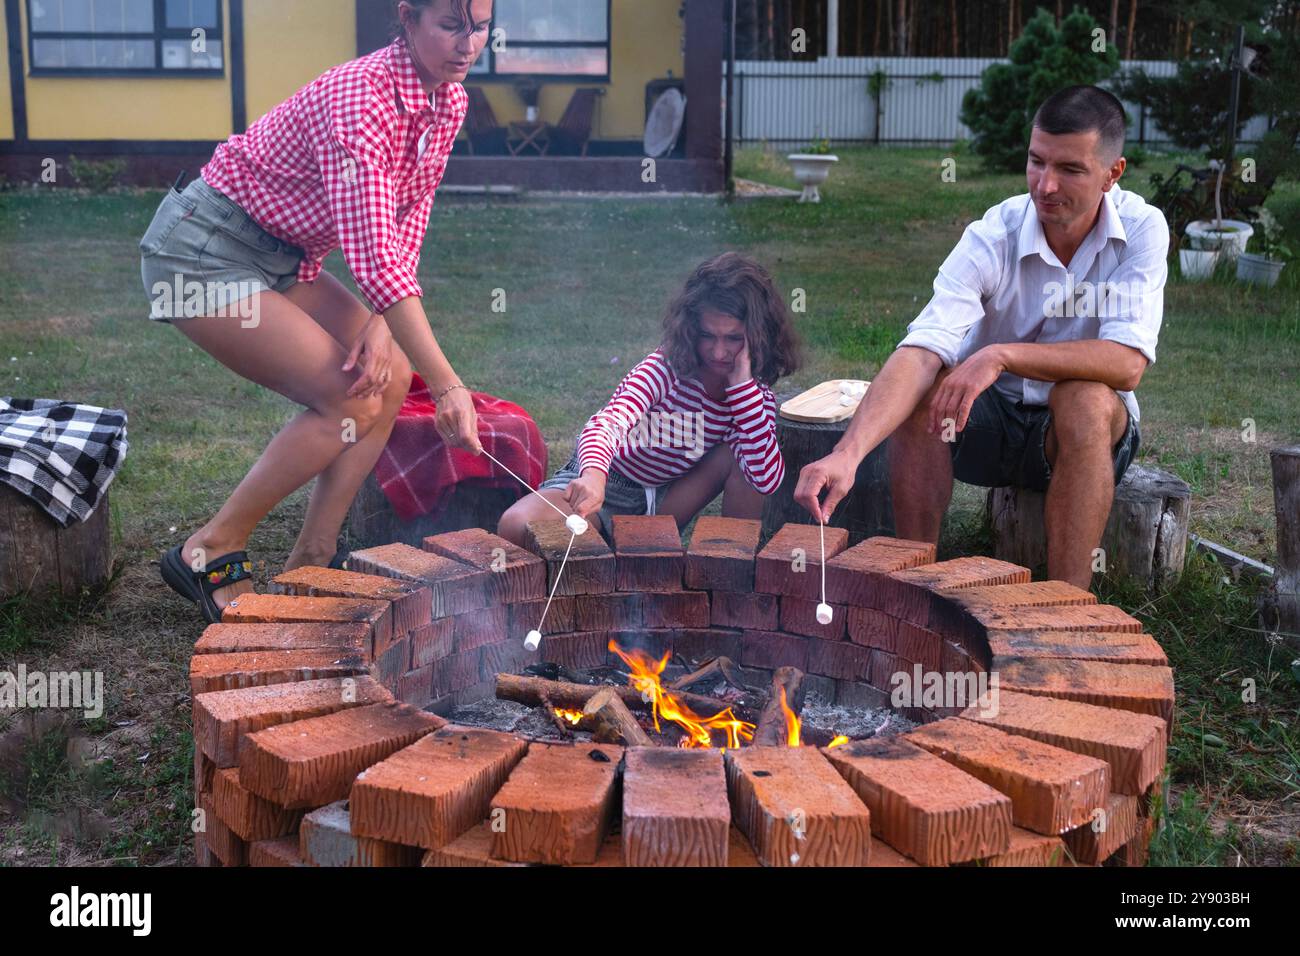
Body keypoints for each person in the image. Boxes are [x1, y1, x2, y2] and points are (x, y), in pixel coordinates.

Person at [139, 0, 493, 623]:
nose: (468, 44)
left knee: (391, 376)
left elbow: (406, 217)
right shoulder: (360, 99)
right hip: (203, 252)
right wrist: (449, 387)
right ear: (408, 20)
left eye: (481, 27)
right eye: (450, 25)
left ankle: (313, 559)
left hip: (284, 258)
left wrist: (382, 322)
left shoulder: (449, 101)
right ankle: (211, 545)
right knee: (348, 397)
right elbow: (375, 258)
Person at [795, 85, 1167, 589]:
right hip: (987, 428)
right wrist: (848, 453)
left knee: (1083, 398)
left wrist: (1000, 355)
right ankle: (916, 583)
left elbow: (1127, 363)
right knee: (929, 387)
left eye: (1070, 169)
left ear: (1112, 173)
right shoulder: (994, 233)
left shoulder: (1142, 229)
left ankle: (1068, 604)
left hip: (1084, 439)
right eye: (1036, 162)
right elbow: (923, 348)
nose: (1046, 185)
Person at [497, 253, 803, 545]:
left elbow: (765, 480)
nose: (719, 352)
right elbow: (608, 424)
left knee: (744, 453)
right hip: (606, 484)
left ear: (758, 336)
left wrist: (742, 391)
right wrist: (594, 475)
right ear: (692, 328)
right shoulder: (665, 368)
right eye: (708, 335)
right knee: (516, 525)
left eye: (734, 338)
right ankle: (604, 546)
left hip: (666, 499)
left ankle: (732, 565)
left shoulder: (753, 397)